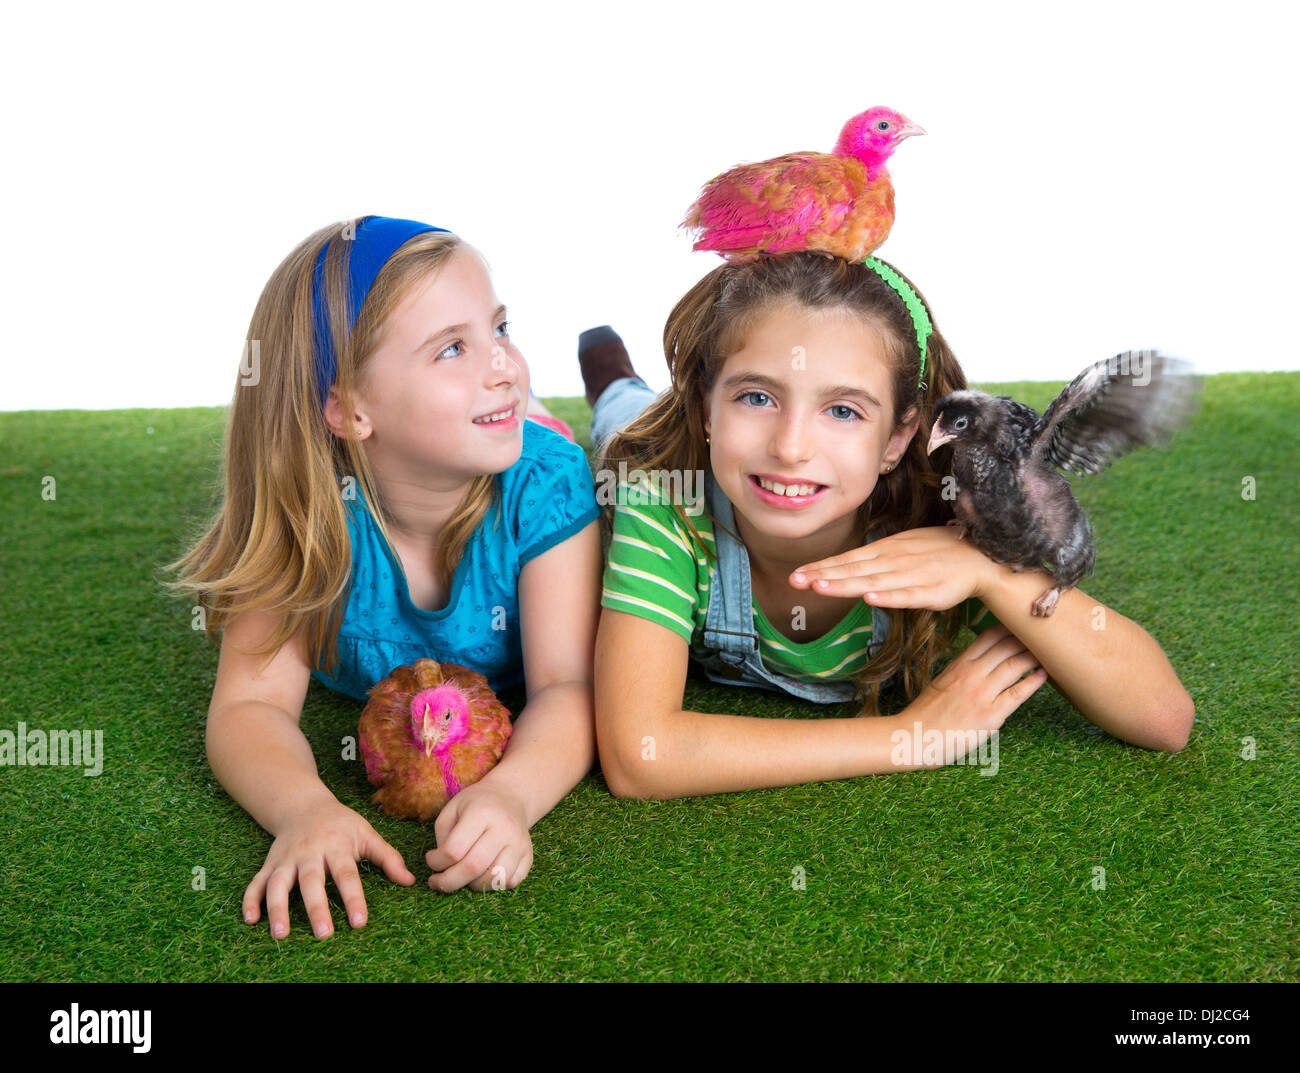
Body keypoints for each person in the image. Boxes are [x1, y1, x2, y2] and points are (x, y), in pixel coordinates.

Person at [583, 252, 1194, 800]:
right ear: (706, 408)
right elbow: (641, 757)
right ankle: (611, 375)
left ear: (899, 438)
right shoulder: (661, 497)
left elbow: (1164, 719)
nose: (792, 448)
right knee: (623, 418)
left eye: (843, 410)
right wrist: (910, 736)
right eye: (757, 398)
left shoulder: (952, 515)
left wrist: (993, 575)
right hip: (659, 441)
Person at [166, 216, 601, 938]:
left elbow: (567, 686)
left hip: (530, 438)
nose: (504, 362)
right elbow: (249, 707)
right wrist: (304, 806)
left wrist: (513, 795)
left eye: (501, 327)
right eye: (453, 348)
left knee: (611, 431)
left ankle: (608, 371)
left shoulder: (546, 486)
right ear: (348, 406)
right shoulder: (305, 512)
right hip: (459, 439)